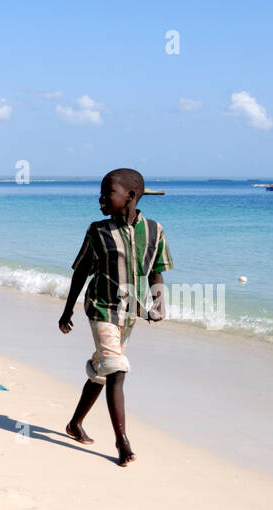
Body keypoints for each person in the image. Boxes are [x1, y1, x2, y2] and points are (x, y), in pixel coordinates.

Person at [58, 168, 172, 466]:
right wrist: (68, 308)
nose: (101, 199)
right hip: (99, 307)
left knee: (102, 368)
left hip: (130, 313)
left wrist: (158, 302)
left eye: (108, 192)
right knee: (117, 370)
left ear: (130, 196)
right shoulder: (97, 230)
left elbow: (157, 270)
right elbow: (81, 271)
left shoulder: (155, 230)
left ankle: (74, 424)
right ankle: (122, 441)